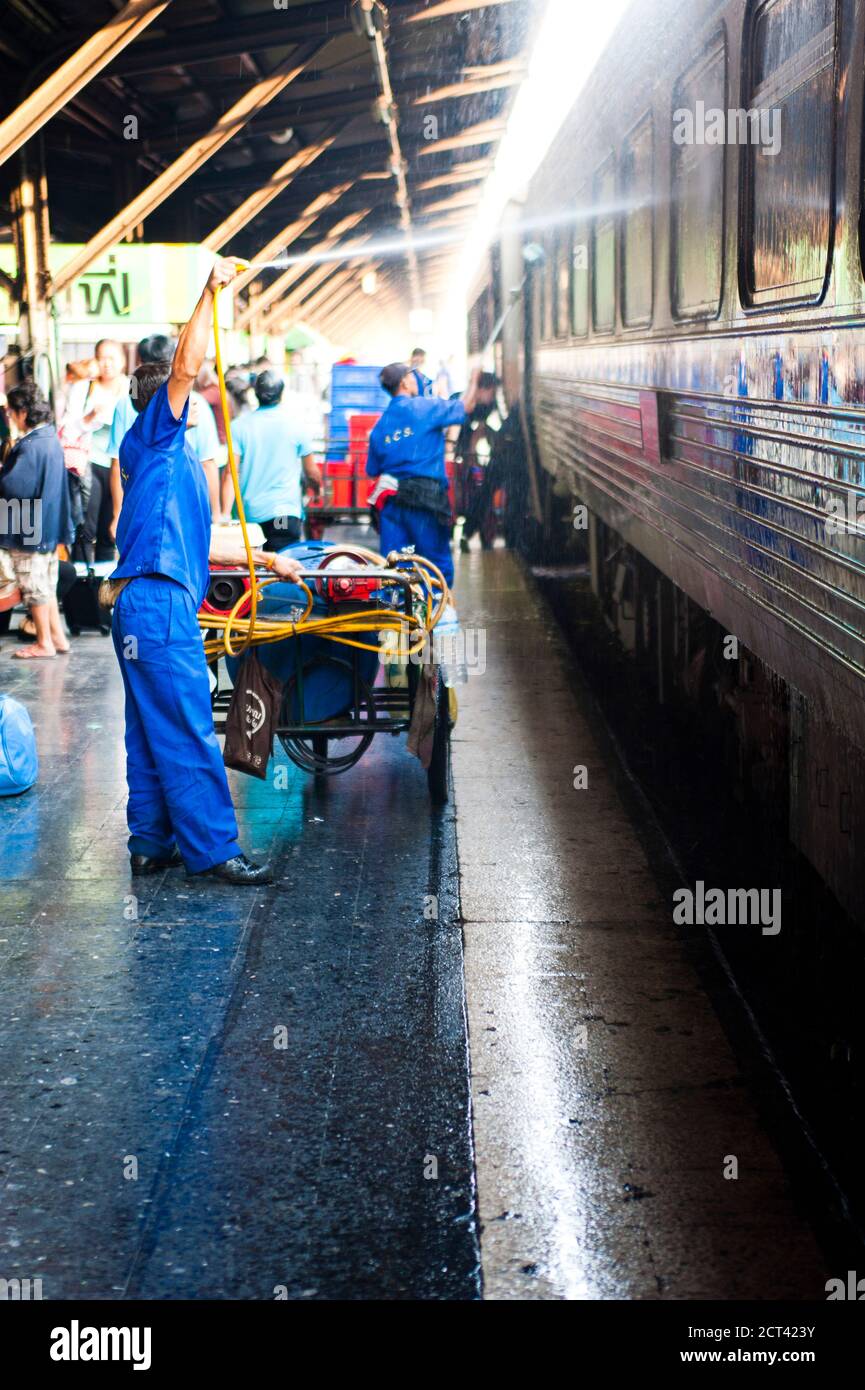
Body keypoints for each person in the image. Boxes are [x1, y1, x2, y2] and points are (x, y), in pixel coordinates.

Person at [108, 257, 305, 885]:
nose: (189, 394)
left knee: (147, 725)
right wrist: (211, 290)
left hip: (137, 603)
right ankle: (216, 850)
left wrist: (269, 558)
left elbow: (195, 541)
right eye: (180, 391)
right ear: (165, 402)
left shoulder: (159, 458)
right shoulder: (159, 436)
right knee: (191, 723)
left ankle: (150, 843)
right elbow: (188, 365)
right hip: (161, 606)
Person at [366, 363, 481, 588]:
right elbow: (466, 406)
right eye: (412, 376)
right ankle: (439, 613)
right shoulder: (424, 408)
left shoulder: (380, 426)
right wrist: (474, 379)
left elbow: (372, 471)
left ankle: (402, 619)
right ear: (405, 382)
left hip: (392, 505)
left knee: (396, 569)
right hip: (425, 500)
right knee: (436, 565)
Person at [107, 334, 220, 537]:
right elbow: (208, 463)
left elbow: (117, 464)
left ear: (140, 362)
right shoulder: (195, 403)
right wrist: (217, 515)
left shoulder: (126, 404)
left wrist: (119, 513)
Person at [0, 380, 74, 660]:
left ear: (22, 411)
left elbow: (15, 488)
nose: (8, 417)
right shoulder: (48, 439)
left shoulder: (31, 446)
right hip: (46, 527)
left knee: (34, 587)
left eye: (10, 411)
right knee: (46, 585)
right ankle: (57, 637)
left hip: (28, 527)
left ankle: (44, 642)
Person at [220, 368, 321, 548]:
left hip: (250, 516)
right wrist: (318, 489)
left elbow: (230, 472)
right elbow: (312, 471)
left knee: (251, 570)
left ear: (256, 393)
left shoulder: (238, 427)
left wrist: (225, 514)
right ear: (281, 393)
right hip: (283, 514)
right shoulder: (297, 425)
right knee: (282, 566)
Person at [63, 339, 129, 563]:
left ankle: (104, 583)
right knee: (85, 526)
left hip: (121, 466)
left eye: (112, 358)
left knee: (111, 528)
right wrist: (89, 418)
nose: (107, 364)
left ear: (122, 361)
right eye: (102, 358)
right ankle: (82, 584)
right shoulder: (83, 388)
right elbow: (68, 428)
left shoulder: (132, 388)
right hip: (89, 463)